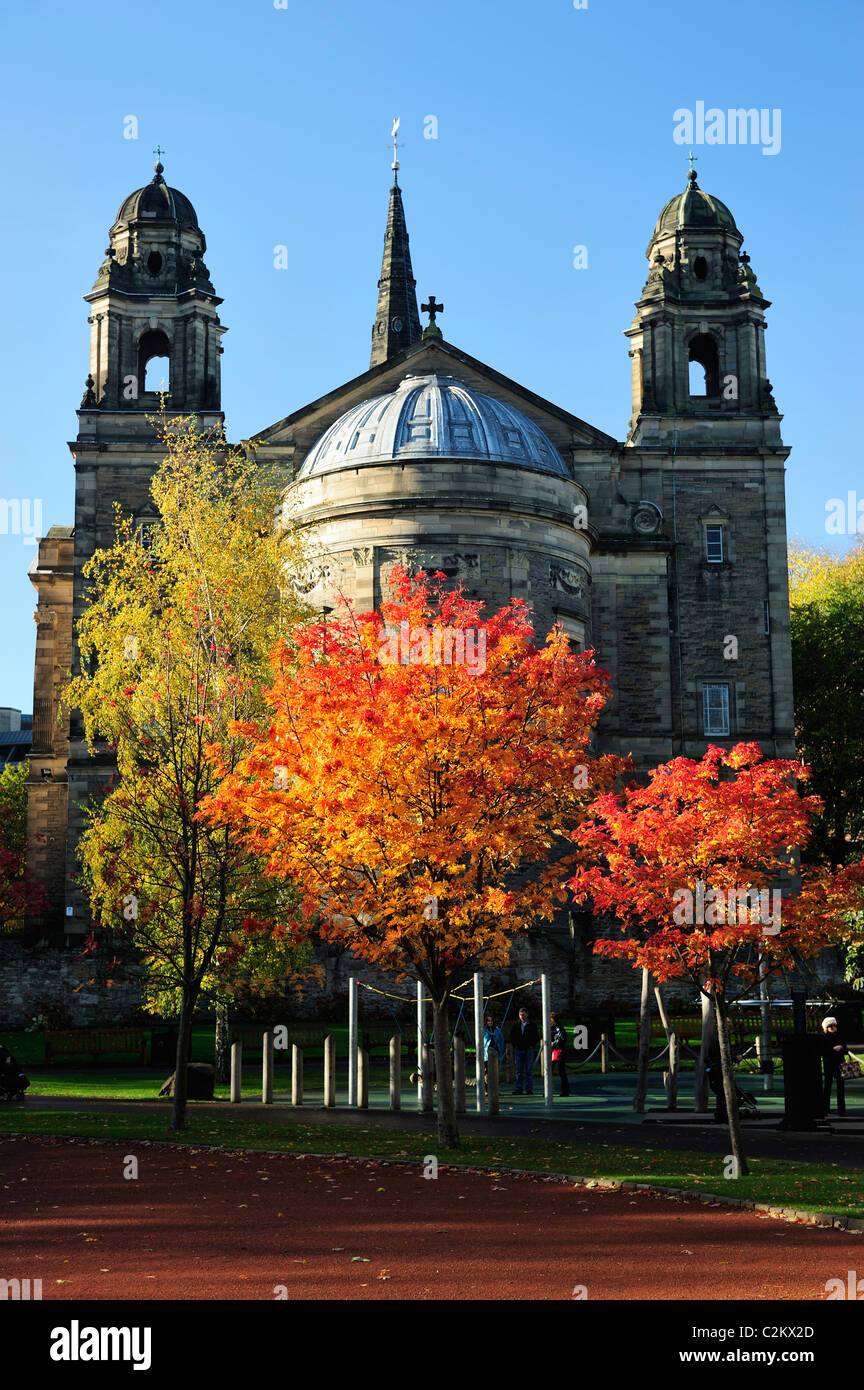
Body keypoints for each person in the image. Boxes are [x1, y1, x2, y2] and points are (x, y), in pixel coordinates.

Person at [820, 1016, 848, 1117]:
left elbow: (846, 1049)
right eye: (830, 1026)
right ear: (826, 1028)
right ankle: (825, 1108)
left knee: (841, 1087)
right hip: (829, 1064)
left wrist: (842, 1047)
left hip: (840, 1064)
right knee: (827, 1086)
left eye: (834, 1025)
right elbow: (822, 1052)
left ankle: (842, 1109)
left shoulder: (840, 1036)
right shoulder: (824, 1038)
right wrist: (833, 1050)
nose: (833, 1027)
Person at [509, 1006, 540, 1095]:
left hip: (528, 1049)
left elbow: (536, 1036)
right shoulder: (516, 1025)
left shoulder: (532, 1025)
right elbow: (512, 1036)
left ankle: (529, 1088)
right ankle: (519, 1088)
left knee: (528, 1070)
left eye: (523, 1015)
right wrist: (515, 1044)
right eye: (520, 1015)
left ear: (527, 1015)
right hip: (519, 1049)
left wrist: (531, 1044)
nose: (522, 1016)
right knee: (519, 1070)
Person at [550, 1012, 571, 1097]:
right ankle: (548, 1091)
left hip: (559, 1051)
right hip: (553, 1051)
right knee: (549, 1072)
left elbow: (562, 1039)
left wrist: (552, 1044)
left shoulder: (559, 1029)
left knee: (561, 1072)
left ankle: (565, 1091)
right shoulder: (552, 1028)